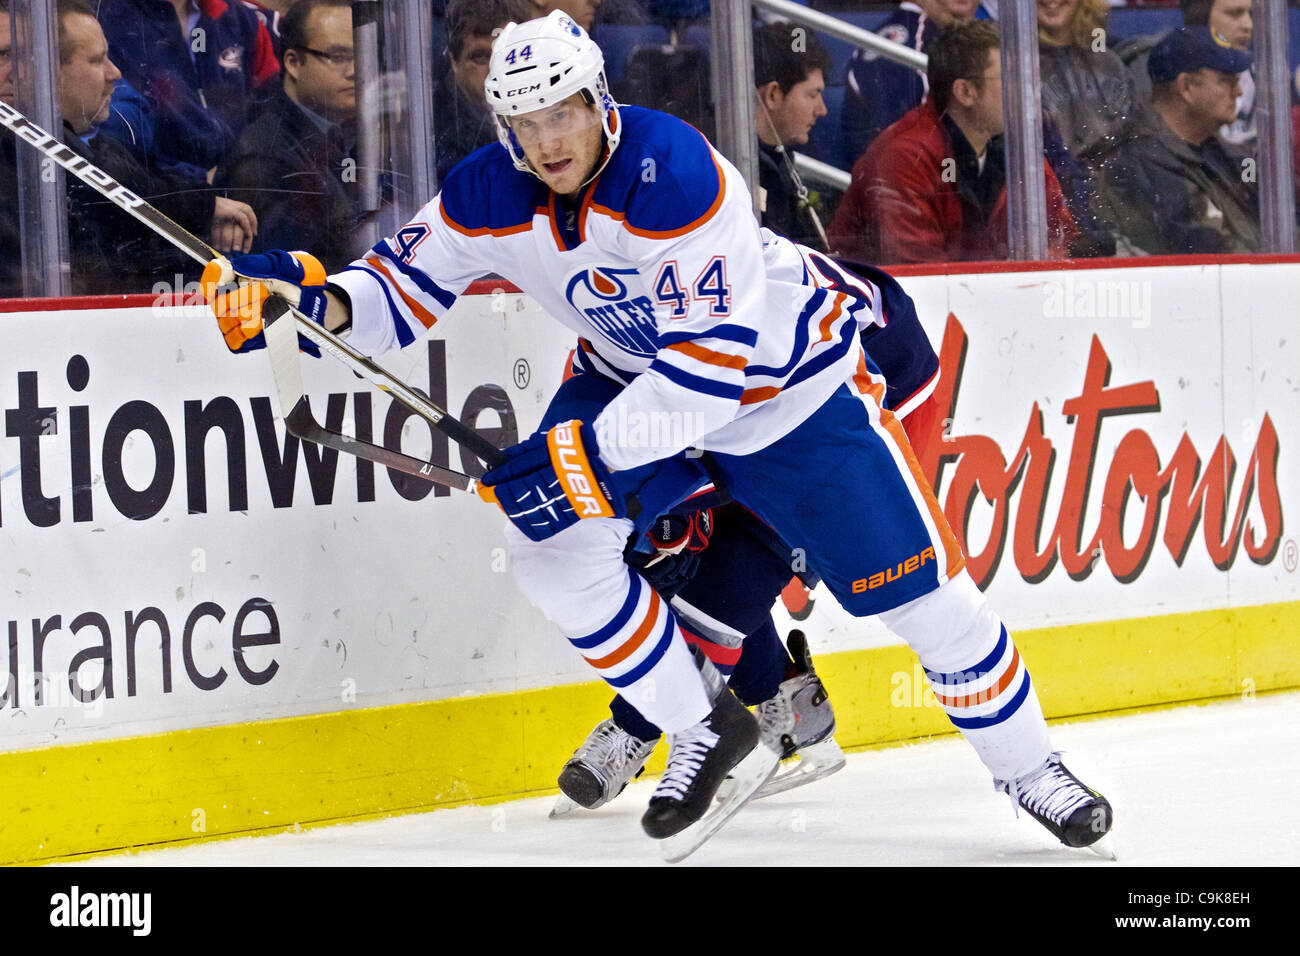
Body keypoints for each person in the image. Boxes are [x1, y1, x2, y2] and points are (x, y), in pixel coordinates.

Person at [204, 11, 1113, 854]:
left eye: (563, 113)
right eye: (526, 122)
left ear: (599, 100)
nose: (548, 141)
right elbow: (395, 293)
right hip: (627, 379)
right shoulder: (486, 189)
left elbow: (704, 382)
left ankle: (1032, 770)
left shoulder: (674, 173)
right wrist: (302, 302)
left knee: (924, 602)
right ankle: (704, 727)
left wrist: (576, 459)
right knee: (550, 549)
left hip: (782, 394)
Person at [1, 0, 258, 294]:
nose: (115, 73)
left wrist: (207, 221)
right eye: (5, 55)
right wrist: (204, 210)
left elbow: (134, 199)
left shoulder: (90, 148)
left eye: (22, 57)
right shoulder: (32, 157)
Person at [828, 21, 1077, 265]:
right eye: (1010, 80)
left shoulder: (1019, 151)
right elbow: (919, 275)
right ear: (965, 92)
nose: (1027, 93)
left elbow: (1057, 240)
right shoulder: (905, 159)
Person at [220, 0, 362, 270]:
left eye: (360, 57)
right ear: (294, 63)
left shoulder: (346, 135)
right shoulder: (264, 159)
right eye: (338, 57)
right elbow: (289, 272)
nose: (354, 71)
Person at [1106, 26, 1257, 255]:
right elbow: (1206, 251)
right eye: (1226, 80)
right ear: (1186, 86)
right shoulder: (1140, 162)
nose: (1238, 92)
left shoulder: (1225, 154)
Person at [96, 0, 280, 178]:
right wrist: (195, 183)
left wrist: (241, 171)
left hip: (238, 183)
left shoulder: (242, 20)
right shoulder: (104, 18)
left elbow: (275, 112)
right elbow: (107, 131)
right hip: (158, 189)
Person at [840, 0, 978, 170]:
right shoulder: (915, 40)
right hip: (902, 176)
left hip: (901, 173)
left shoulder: (920, 33)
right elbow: (906, 145)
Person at [1118, 0, 1253, 151]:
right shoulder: (1154, 65)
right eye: (1234, 14)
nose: (1248, 25)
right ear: (1199, 16)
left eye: (1251, 14)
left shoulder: (1259, 70)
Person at [434, 0, 534, 185]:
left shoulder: (552, 115)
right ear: (454, 62)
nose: (496, 70)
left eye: (508, 56)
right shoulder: (435, 135)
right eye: (481, 57)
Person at [752, 20, 831, 250]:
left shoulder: (782, 161)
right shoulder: (727, 168)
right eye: (813, 95)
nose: (822, 110)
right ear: (773, 95)